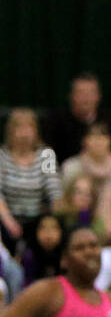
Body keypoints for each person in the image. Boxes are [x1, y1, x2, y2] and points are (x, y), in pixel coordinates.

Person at [0, 108, 62, 253]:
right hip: (6, 219)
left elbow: (55, 192)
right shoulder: (1, 156)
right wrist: (9, 222)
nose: (25, 132)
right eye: (19, 127)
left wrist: (52, 222)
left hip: (37, 219)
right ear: (10, 131)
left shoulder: (46, 155)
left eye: (29, 127)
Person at [60, 122, 111, 241]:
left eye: (103, 136)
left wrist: (110, 226)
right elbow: (62, 201)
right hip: (73, 227)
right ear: (84, 141)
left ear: (110, 141)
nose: (98, 141)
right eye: (93, 136)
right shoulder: (70, 167)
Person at [46, 73, 111, 165]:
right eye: (80, 93)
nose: (86, 98)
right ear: (71, 96)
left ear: (98, 97)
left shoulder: (110, 122)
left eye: (91, 93)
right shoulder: (56, 122)